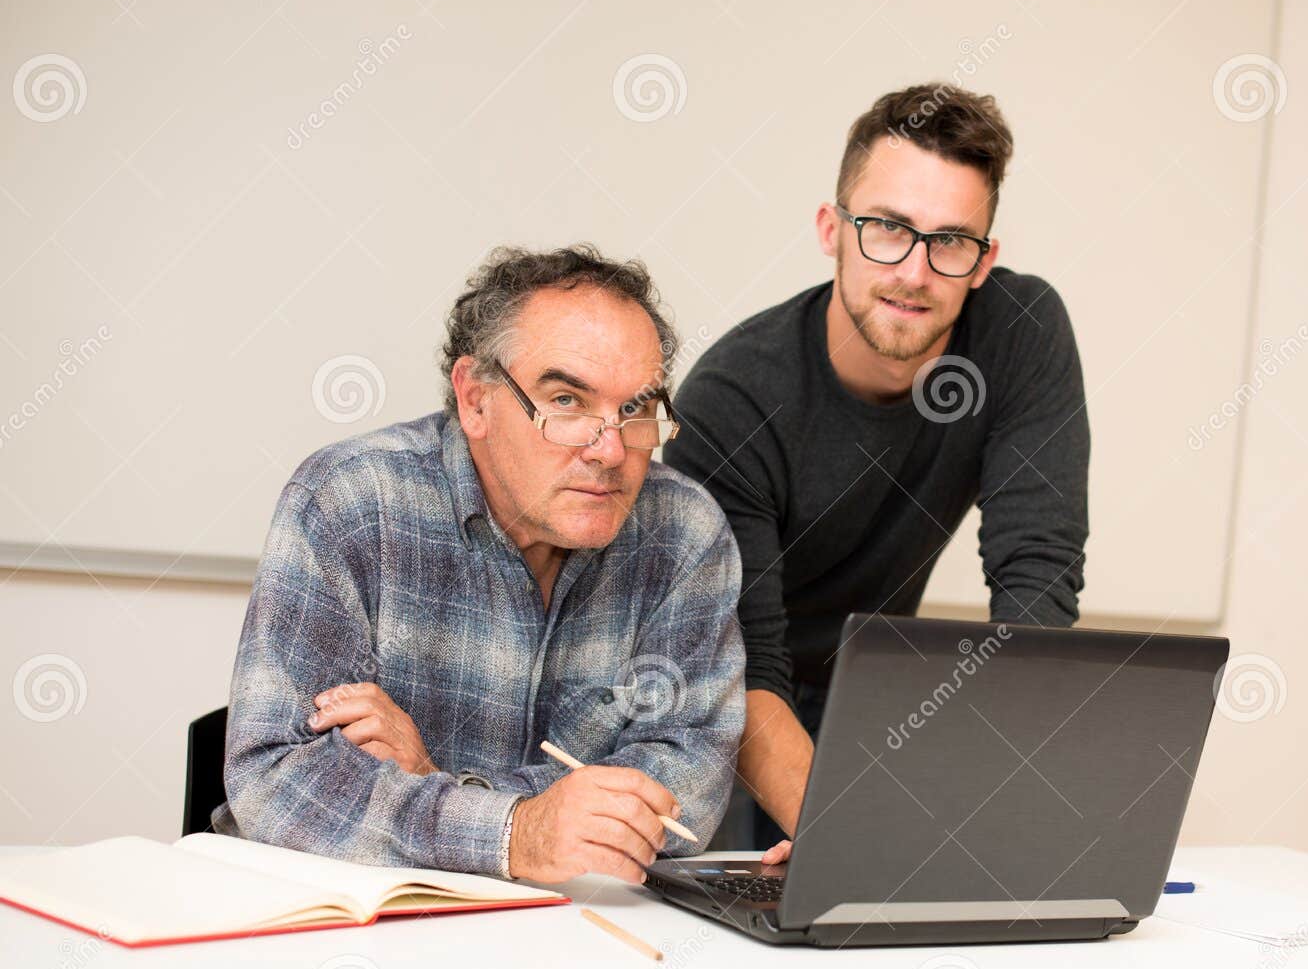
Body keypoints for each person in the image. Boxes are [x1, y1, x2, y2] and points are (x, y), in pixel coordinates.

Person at [216, 245, 744, 884]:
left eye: (635, 409)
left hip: (570, 937)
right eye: (567, 402)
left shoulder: (684, 532)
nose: (609, 450)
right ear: (474, 399)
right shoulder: (350, 500)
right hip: (342, 919)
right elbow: (277, 776)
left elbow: (687, 783)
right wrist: (517, 831)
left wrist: (440, 784)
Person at [664, 84, 1089, 859]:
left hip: (873, 692)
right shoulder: (735, 399)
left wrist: (995, 802)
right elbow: (743, 670)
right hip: (721, 698)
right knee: (742, 910)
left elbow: (1037, 578)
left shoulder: (1020, 334)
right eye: (887, 228)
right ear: (832, 230)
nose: (916, 272)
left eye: (951, 241)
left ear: (984, 261)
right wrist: (854, 846)